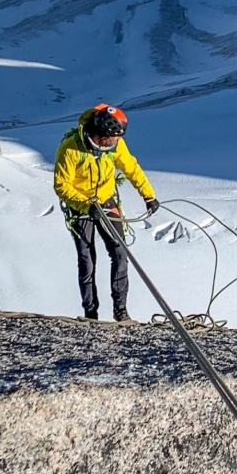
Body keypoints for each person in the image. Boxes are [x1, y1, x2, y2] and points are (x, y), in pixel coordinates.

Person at [53, 103, 160, 322]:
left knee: (120, 252)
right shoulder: (71, 148)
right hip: (80, 207)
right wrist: (84, 205)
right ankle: (90, 313)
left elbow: (130, 167)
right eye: (114, 138)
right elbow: (62, 185)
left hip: (105, 200)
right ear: (102, 136)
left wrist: (148, 195)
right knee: (87, 259)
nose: (118, 142)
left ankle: (120, 310)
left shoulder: (114, 146)